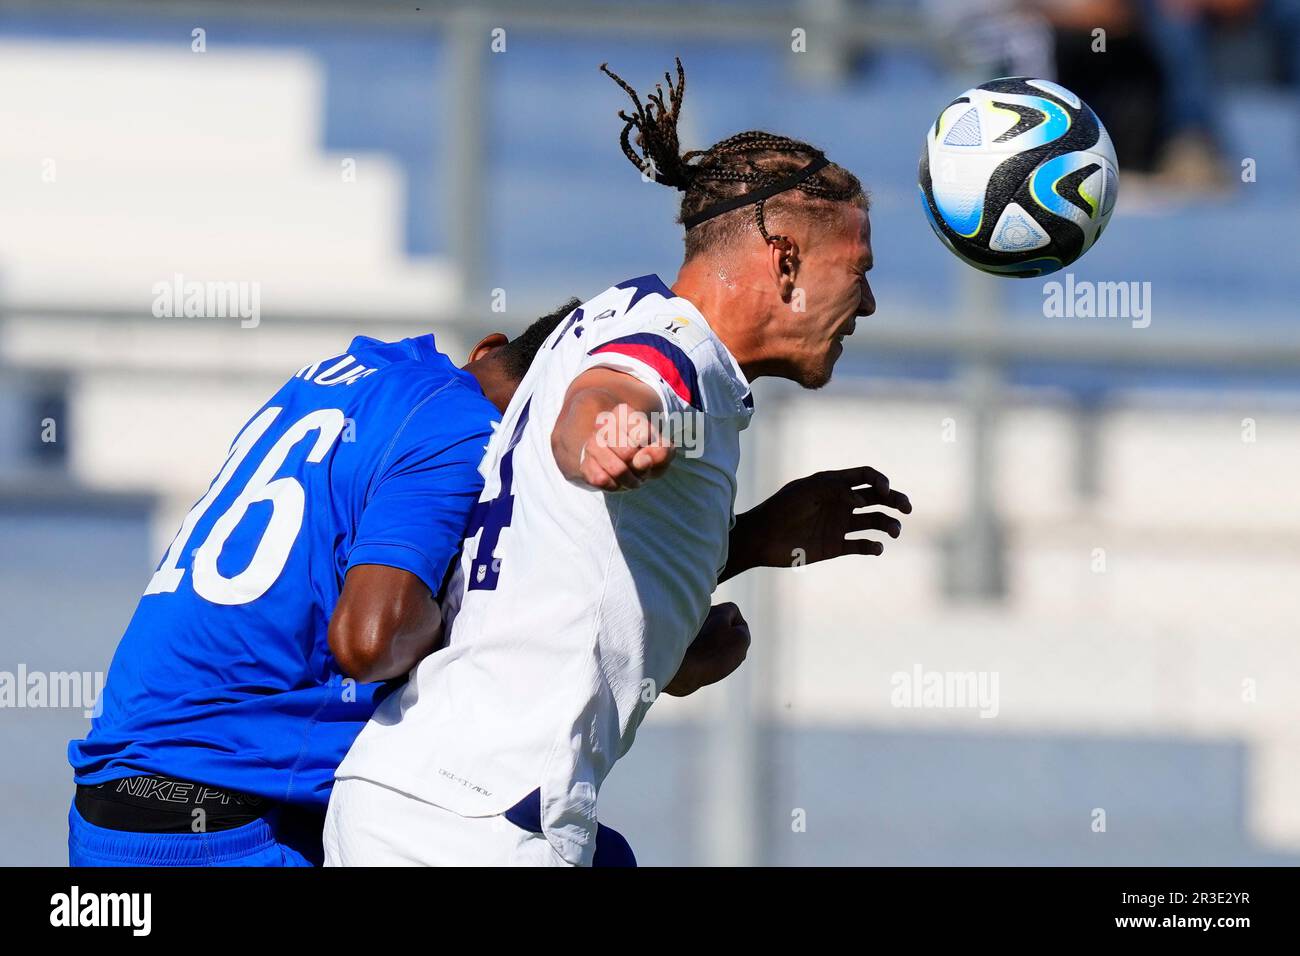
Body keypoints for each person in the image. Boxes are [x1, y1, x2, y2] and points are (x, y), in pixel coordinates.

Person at [325, 59, 912, 867]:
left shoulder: (612, 313)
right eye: (859, 271)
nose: (869, 305)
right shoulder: (675, 349)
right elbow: (609, 398)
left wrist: (740, 548)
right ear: (784, 259)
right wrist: (604, 433)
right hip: (485, 818)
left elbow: (578, 554)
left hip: (409, 787)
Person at [66, 308, 570, 866]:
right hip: (225, 819)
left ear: (486, 348)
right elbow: (369, 641)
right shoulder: (472, 427)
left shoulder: (343, 372)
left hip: (118, 798)